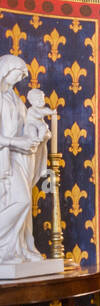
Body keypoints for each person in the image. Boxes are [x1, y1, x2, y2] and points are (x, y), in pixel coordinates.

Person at [0, 55, 47, 263]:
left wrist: (38, 135)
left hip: (17, 157)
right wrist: (16, 142)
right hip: (5, 155)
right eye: (19, 72)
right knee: (22, 200)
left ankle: (18, 247)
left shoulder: (13, 97)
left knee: (25, 204)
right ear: (6, 71)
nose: (21, 77)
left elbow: (25, 124)